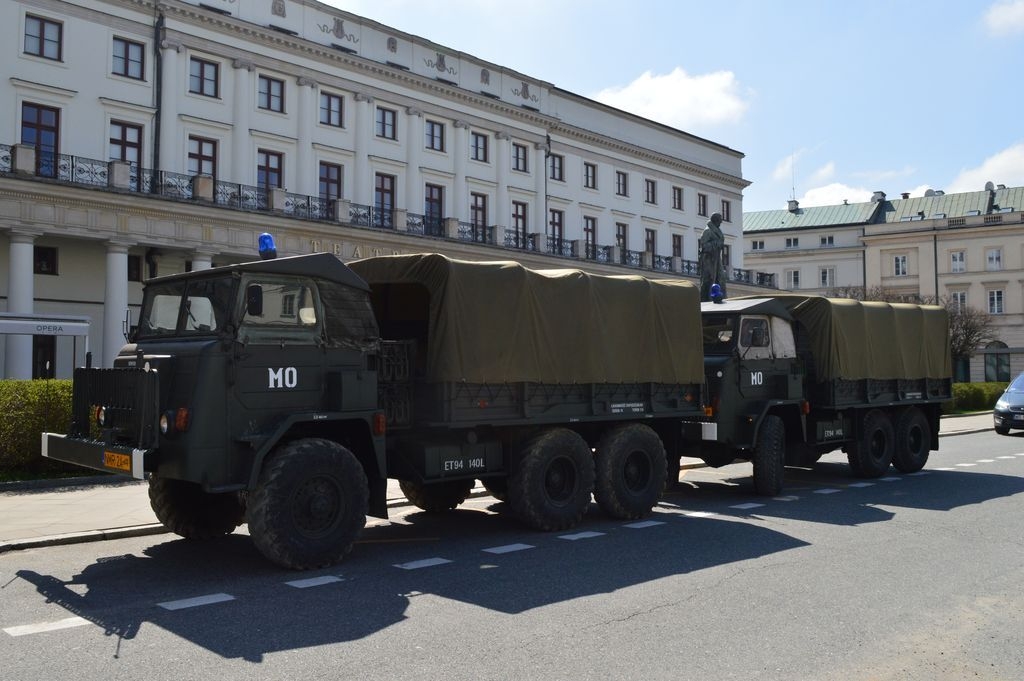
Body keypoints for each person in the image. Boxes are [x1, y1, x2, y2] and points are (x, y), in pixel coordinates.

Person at [698, 212, 727, 301]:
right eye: (720, 220)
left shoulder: (717, 230)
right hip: (708, 260)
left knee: (721, 279)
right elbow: (704, 246)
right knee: (709, 279)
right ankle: (706, 299)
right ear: (716, 220)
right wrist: (717, 244)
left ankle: (721, 298)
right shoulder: (708, 231)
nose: (721, 222)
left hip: (717, 259)